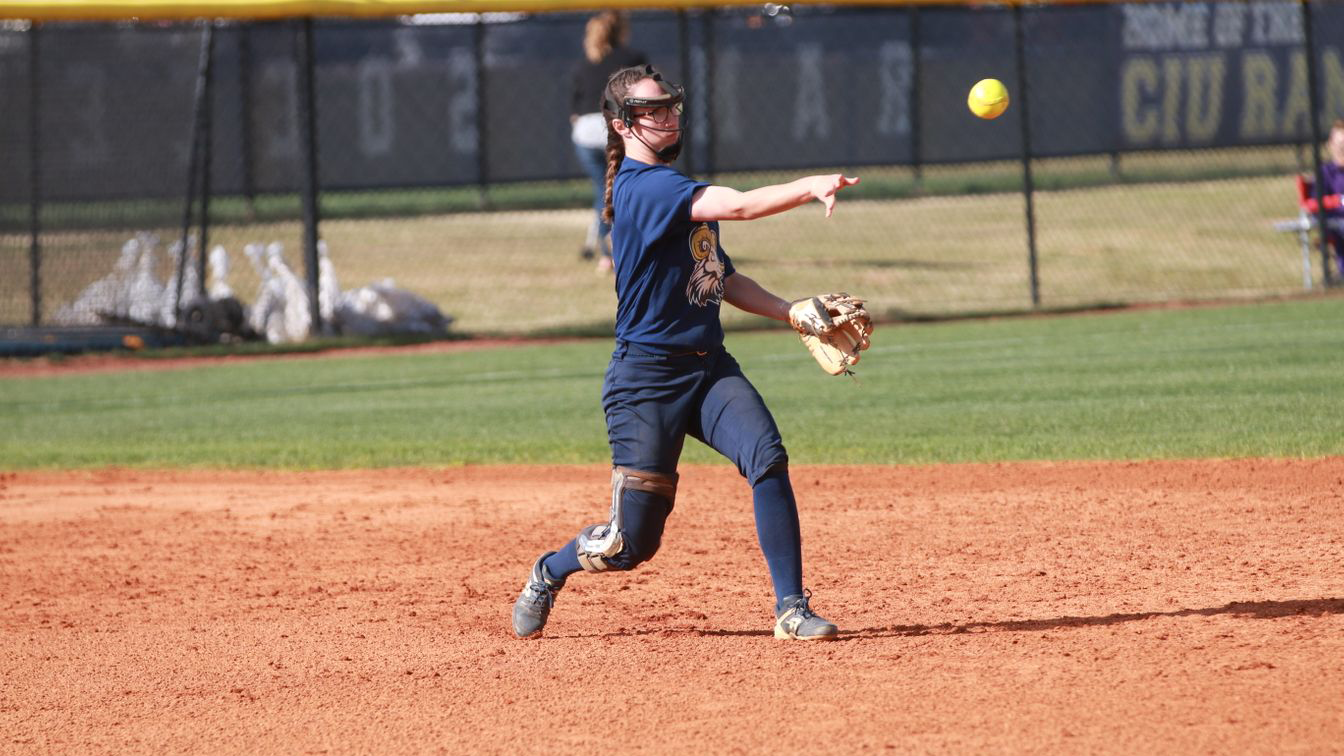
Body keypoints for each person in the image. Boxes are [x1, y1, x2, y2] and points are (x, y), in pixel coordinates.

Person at [511, 64, 861, 641]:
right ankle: (549, 571)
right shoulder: (645, 189)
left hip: (707, 367)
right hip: (646, 381)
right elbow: (744, 206)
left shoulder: (675, 189)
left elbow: (718, 276)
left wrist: (791, 311)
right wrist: (810, 185)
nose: (669, 115)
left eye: (672, 106)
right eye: (654, 109)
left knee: (767, 459)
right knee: (631, 544)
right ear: (623, 125)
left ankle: (791, 608)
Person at [569, 11, 647, 273]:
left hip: (584, 131)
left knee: (604, 190)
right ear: (620, 31)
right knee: (622, 190)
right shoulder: (633, 59)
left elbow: (574, 110)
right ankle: (615, 251)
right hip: (614, 127)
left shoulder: (584, 63)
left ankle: (607, 252)